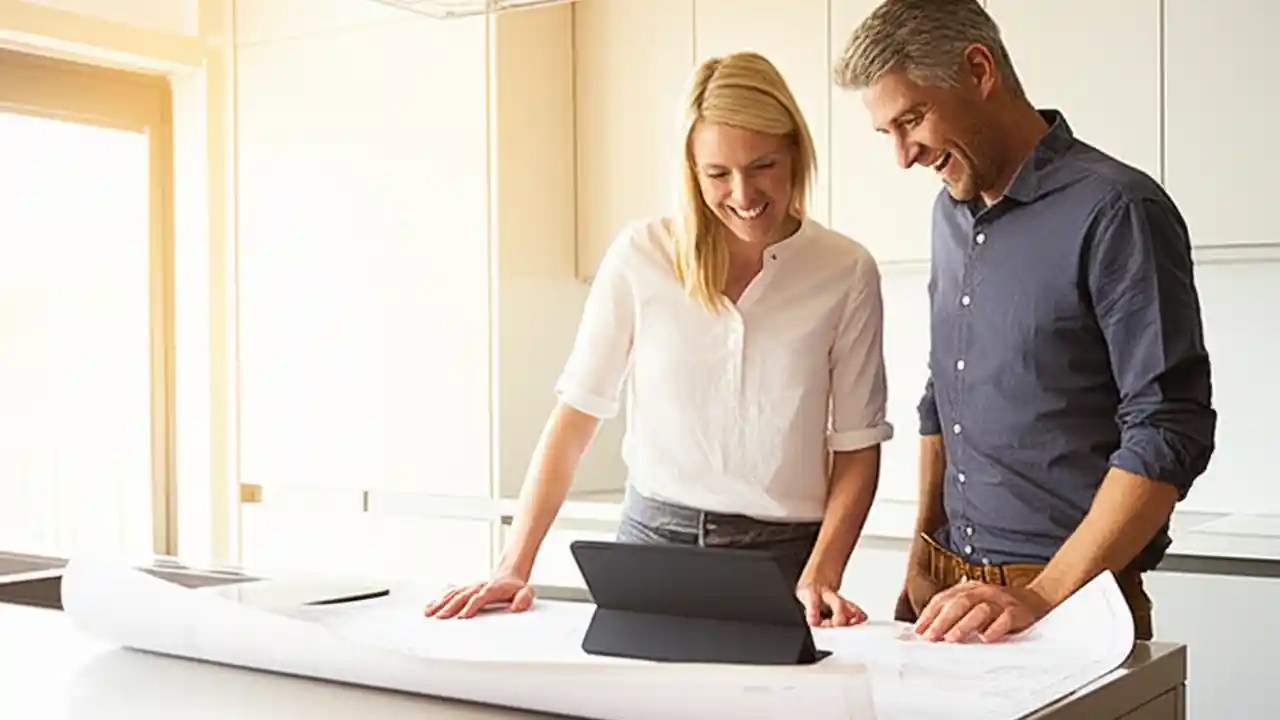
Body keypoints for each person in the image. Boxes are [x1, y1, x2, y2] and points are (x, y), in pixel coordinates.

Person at [424, 51, 893, 627]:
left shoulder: (844, 271)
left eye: (764, 164)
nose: (743, 193)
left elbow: (857, 449)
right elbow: (574, 420)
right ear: (691, 172)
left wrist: (823, 573)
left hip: (785, 563)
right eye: (718, 173)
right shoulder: (641, 255)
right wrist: (512, 566)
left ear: (796, 150)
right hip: (650, 549)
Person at [832, 0, 1216, 644]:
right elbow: (941, 400)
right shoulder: (948, 215)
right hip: (949, 599)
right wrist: (921, 563)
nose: (902, 156)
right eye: (886, 133)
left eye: (912, 119)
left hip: (1070, 605)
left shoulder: (1117, 209)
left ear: (979, 70)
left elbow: (1169, 426)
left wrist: (1041, 596)